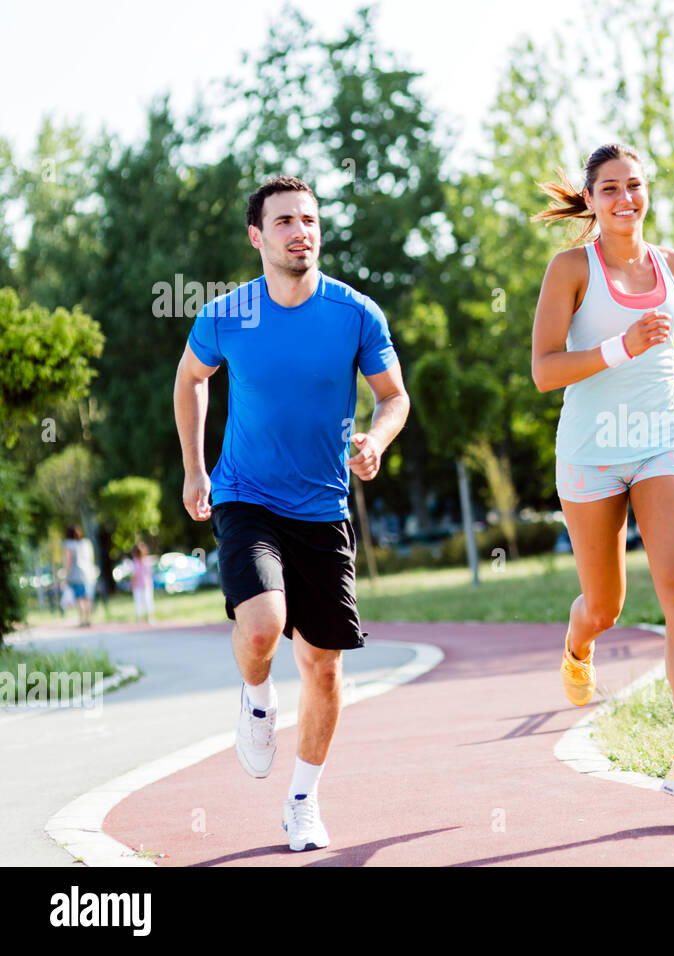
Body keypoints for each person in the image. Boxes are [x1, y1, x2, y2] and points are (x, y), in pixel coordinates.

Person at [172, 175, 410, 852]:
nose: (299, 231)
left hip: (322, 507)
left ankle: (302, 799)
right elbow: (191, 379)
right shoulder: (227, 314)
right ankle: (255, 699)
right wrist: (195, 467)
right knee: (264, 625)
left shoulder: (355, 313)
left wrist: (377, 439)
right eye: (283, 222)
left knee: (325, 666)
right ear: (258, 237)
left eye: (308, 220)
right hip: (246, 495)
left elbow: (394, 397)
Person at [531, 144, 674, 811]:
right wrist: (623, 345)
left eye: (635, 186)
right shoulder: (570, 270)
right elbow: (545, 371)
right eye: (610, 188)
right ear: (589, 200)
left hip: (659, 446)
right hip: (590, 453)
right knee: (606, 607)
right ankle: (577, 639)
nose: (625, 199)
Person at [61, 526, 96, 627]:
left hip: (76, 574)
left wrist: (65, 577)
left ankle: (82, 620)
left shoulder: (68, 544)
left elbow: (68, 561)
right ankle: (88, 618)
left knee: (80, 598)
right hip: (89, 574)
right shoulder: (87, 543)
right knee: (88, 598)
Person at [130, 543, 156, 625]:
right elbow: (150, 573)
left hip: (138, 585)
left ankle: (140, 618)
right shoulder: (147, 561)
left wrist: (131, 583)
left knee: (138, 602)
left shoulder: (135, 562)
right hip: (147, 584)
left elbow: (134, 575)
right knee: (148, 601)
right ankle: (150, 617)